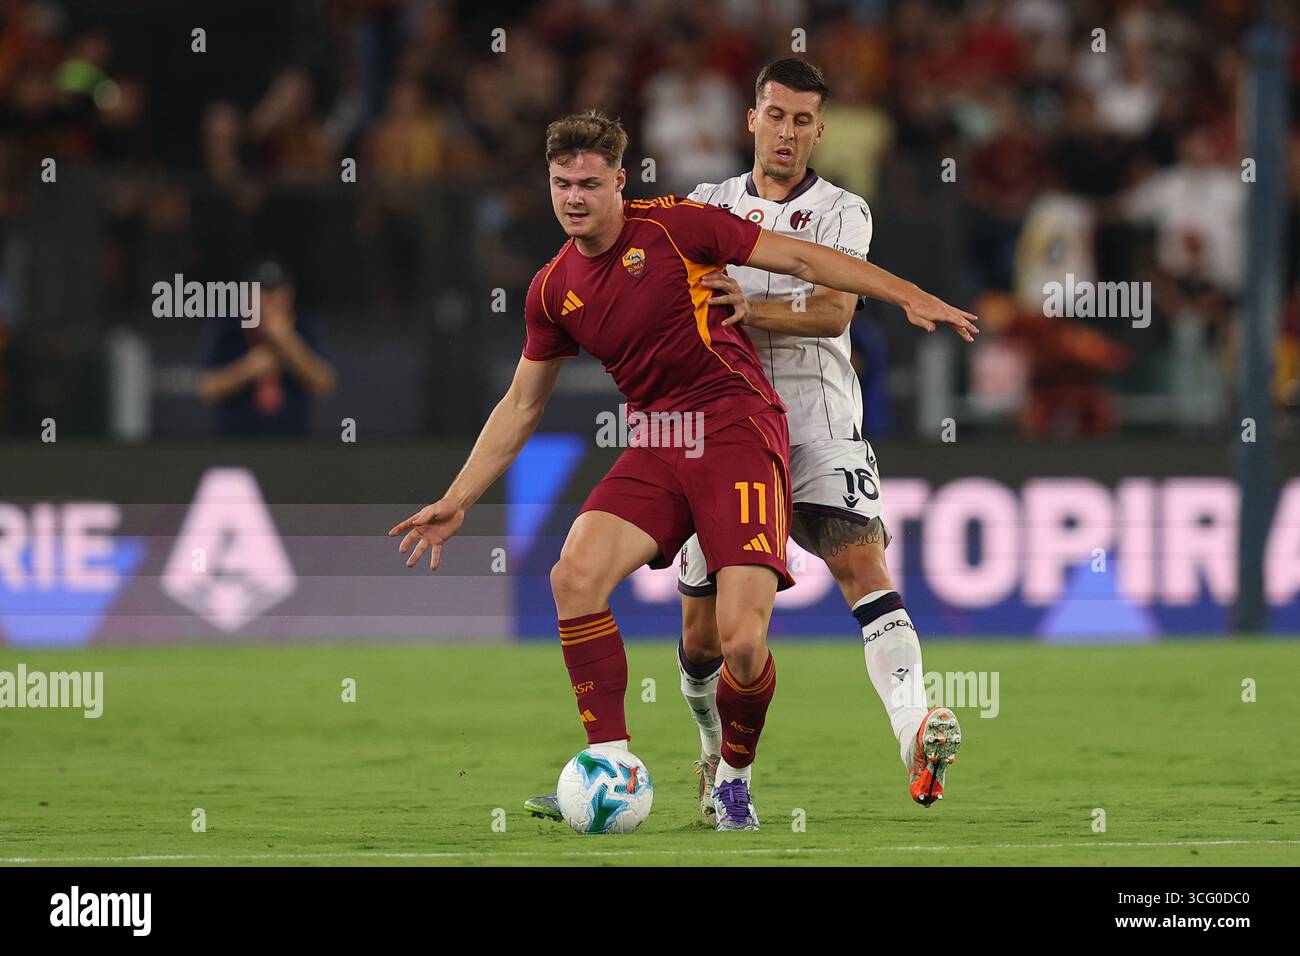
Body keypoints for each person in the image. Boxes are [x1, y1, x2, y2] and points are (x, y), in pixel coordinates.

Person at [390, 110, 975, 831]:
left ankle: (732, 778)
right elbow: (520, 403)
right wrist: (458, 499)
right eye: (561, 183)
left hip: (737, 429)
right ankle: (610, 760)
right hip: (659, 442)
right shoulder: (551, 289)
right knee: (574, 576)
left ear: (619, 184)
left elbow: (800, 260)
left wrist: (903, 292)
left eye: (589, 184)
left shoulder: (677, 225)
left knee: (741, 641)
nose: (574, 197)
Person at [197, 261, 337, 436]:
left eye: (276, 291)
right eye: (262, 291)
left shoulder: (303, 327)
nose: (270, 299)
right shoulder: (228, 327)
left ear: (289, 294)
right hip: (236, 442)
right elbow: (206, 388)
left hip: (294, 444)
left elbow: (325, 383)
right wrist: (248, 368)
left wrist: (288, 342)